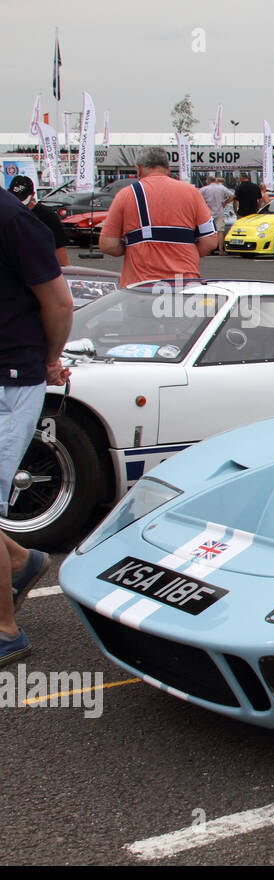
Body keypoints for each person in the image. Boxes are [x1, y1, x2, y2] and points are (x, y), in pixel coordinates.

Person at [0, 189, 74, 665]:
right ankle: (21, 562)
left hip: (10, 379)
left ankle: (5, 631)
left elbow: (59, 303)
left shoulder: (13, 220)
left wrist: (49, 359)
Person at [98, 146, 218, 285]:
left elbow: (108, 245)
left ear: (138, 169)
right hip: (185, 283)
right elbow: (210, 241)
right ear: (167, 168)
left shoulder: (126, 195)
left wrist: (135, 247)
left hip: (140, 286)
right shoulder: (192, 192)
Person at [7, 176, 68, 266]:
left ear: (33, 195)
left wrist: (64, 272)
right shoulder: (6, 212)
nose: (19, 206)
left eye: (23, 202)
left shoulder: (47, 216)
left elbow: (60, 250)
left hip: (41, 270)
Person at [199, 175, 235, 255]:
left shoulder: (204, 189)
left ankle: (208, 250)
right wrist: (226, 202)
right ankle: (220, 249)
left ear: (207, 181)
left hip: (207, 213)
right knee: (220, 231)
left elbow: (197, 197)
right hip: (219, 212)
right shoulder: (222, 188)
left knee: (208, 232)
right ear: (215, 180)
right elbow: (232, 195)